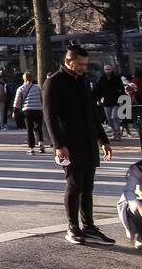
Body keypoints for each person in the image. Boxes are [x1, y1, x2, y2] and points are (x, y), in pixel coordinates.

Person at [44, 44, 114, 245]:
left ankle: (89, 226)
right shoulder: (54, 82)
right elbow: (50, 117)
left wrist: (104, 141)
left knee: (88, 187)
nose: (84, 67)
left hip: (89, 142)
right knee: (74, 185)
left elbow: (92, 114)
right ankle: (73, 227)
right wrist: (59, 144)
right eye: (80, 64)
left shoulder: (83, 82)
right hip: (70, 143)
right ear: (68, 61)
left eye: (86, 64)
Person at [13, 72, 45, 154]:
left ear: (24, 79)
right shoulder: (38, 87)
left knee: (29, 129)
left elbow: (17, 101)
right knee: (39, 128)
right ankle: (41, 145)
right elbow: (42, 98)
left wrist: (15, 112)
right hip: (38, 110)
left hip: (27, 111)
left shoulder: (21, 88)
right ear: (32, 78)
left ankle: (31, 148)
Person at [94, 65, 125, 141]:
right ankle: (115, 133)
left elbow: (121, 89)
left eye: (109, 69)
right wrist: (98, 99)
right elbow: (97, 90)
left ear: (112, 69)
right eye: (106, 69)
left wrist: (121, 100)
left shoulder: (117, 78)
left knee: (114, 117)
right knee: (109, 120)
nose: (107, 71)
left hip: (116, 101)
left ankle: (117, 134)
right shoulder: (102, 79)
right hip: (106, 102)